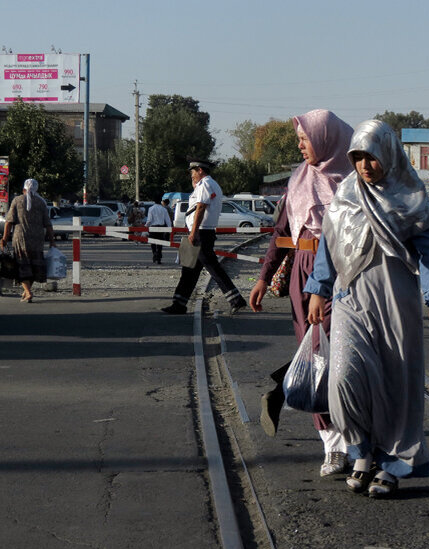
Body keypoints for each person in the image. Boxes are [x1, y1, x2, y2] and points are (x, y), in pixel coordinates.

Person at [306, 120, 429, 498]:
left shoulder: (411, 195)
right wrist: (319, 290)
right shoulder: (346, 194)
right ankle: (359, 450)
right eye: (357, 158)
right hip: (348, 297)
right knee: (344, 378)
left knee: (395, 382)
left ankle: (391, 462)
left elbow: (428, 253)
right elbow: (329, 244)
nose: (365, 166)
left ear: (387, 154)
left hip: (394, 299)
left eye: (371, 157)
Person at [248, 109, 354, 477]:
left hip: (345, 278)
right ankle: (332, 445)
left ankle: (285, 391)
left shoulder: (353, 182)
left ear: (326, 139)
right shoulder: (298, 180)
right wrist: (263, 277)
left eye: (305, 139)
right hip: (303, 278)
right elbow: (281, 234)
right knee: (314, 353)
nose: (301, 146)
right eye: (300, 140)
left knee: (343, 358)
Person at [161, 159, 247, 315]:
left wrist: (193, 233)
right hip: (200, 231)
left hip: (200, 232)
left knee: (212, 267)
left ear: (200, 170)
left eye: (192, 172)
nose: (191, 176)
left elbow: (200, 208)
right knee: (189, 269)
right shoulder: (207, 184)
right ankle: (179, 303)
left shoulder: (205, 184)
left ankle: (236, 299)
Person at [1, 179, 55, 302]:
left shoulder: (17, 200)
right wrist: (52, 241)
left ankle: (28, 292)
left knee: (22, 265)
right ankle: (26, 291)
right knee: (33, 265)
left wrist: (4, 238)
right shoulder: (41, 203)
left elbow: (9, 221)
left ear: (24, 188)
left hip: (21, 239)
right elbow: (48, 224)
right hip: (37, 240)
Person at [145, 198, 172, 264]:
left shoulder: (151, 209)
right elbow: (168, 220)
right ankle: (159, 258)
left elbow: (149, 220)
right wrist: (169, 229)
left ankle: (154, 254)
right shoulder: (164, 209)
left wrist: (145, 227)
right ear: (160, 201)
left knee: (153, 243)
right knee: (160, 243)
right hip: (161, 228)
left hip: (153, 228)